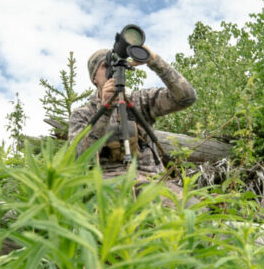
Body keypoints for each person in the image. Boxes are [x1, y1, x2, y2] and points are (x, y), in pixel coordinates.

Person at [67, 43, 196, 177]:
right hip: (106, 185)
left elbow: (186, 97)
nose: (112, 70)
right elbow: (81, 156)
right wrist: (105, 109)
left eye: (115, 65)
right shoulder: (82, 115)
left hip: (151, 181)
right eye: (106, 66)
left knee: (190, 199)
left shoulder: (140, 100)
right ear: (94, 78)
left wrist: (154, 61)